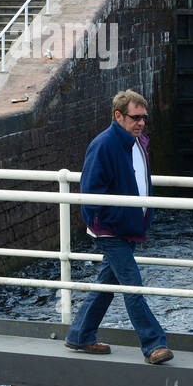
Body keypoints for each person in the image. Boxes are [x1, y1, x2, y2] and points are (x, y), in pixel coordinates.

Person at [65, 90, 174, 365]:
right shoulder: (103, 145)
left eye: (144, 118)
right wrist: (108, 221)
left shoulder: (138, 143)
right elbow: (90, 192)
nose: (140, 123)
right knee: (133, 285)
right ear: (118, 115)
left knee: (107, 283)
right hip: (111, 230)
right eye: (135, 117)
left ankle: (80, 334)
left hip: (127, 227)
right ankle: (153, 344)